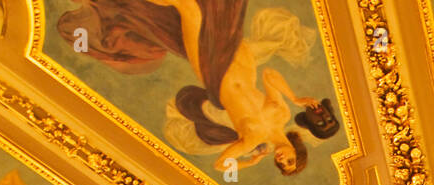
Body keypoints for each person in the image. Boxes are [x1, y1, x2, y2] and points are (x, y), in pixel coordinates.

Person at [57, 0, 339, 174]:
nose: (281, 160)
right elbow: (269, 74)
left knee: (187, 8)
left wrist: (248, 163)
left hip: (214, 75)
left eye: (281, 165)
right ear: (297, 153)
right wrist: (295, 96)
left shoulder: (250, 142)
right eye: (289, 162)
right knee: (217, 7)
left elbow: (220, 166)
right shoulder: (282, 114)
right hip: (241, 61)